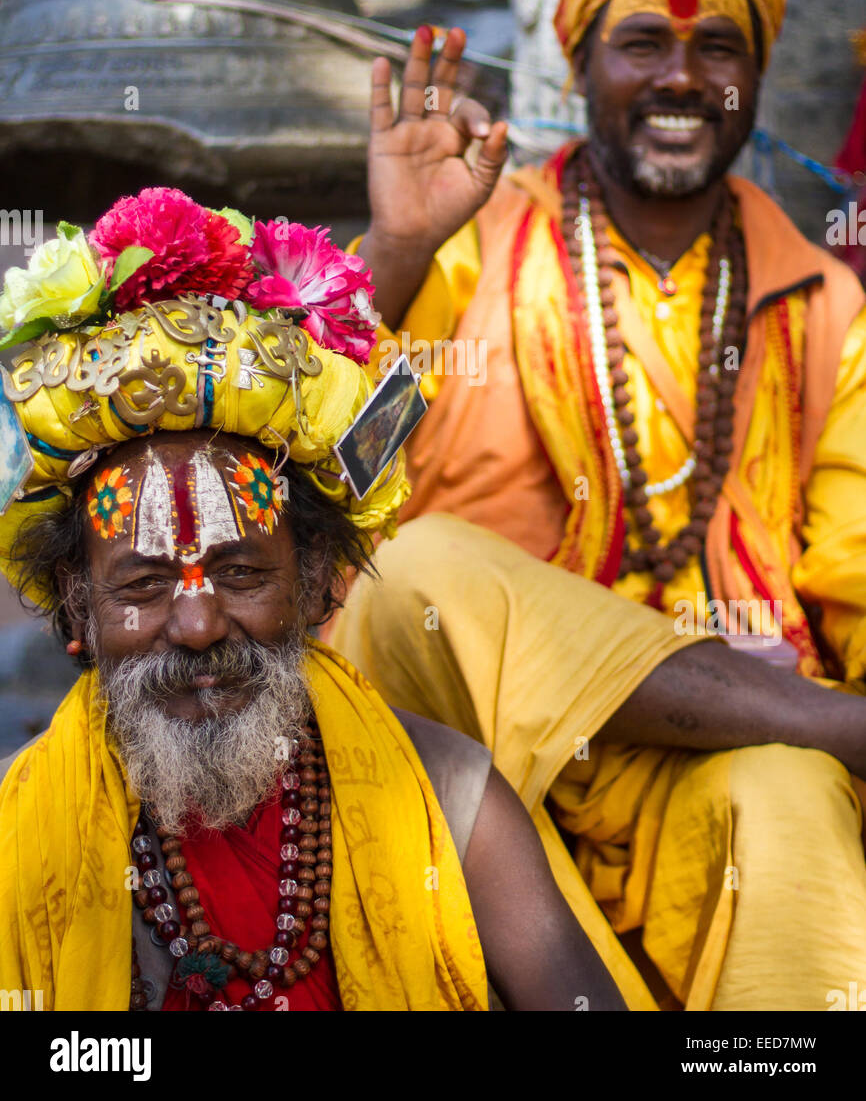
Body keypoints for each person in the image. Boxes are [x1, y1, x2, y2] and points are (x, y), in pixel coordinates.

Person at [333, 0, 866, 1009]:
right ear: (580, 65)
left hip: (722, 742)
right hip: (476, 725)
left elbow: (854, 569)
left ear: (753, 76)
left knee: (791, 803)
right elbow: (316, 455)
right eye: (641, 41)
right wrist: (392, 246)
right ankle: (822, 722)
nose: (679, 74)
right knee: (419, 569)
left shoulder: (823, 306)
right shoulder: (466, 244)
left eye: (714, 44)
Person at [0, 189, 626, 1012]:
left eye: (242, 573)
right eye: (145, 586)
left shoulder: (450, 798)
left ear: (322, 580)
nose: (196, 626)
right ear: (78, 610)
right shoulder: (16, 837)